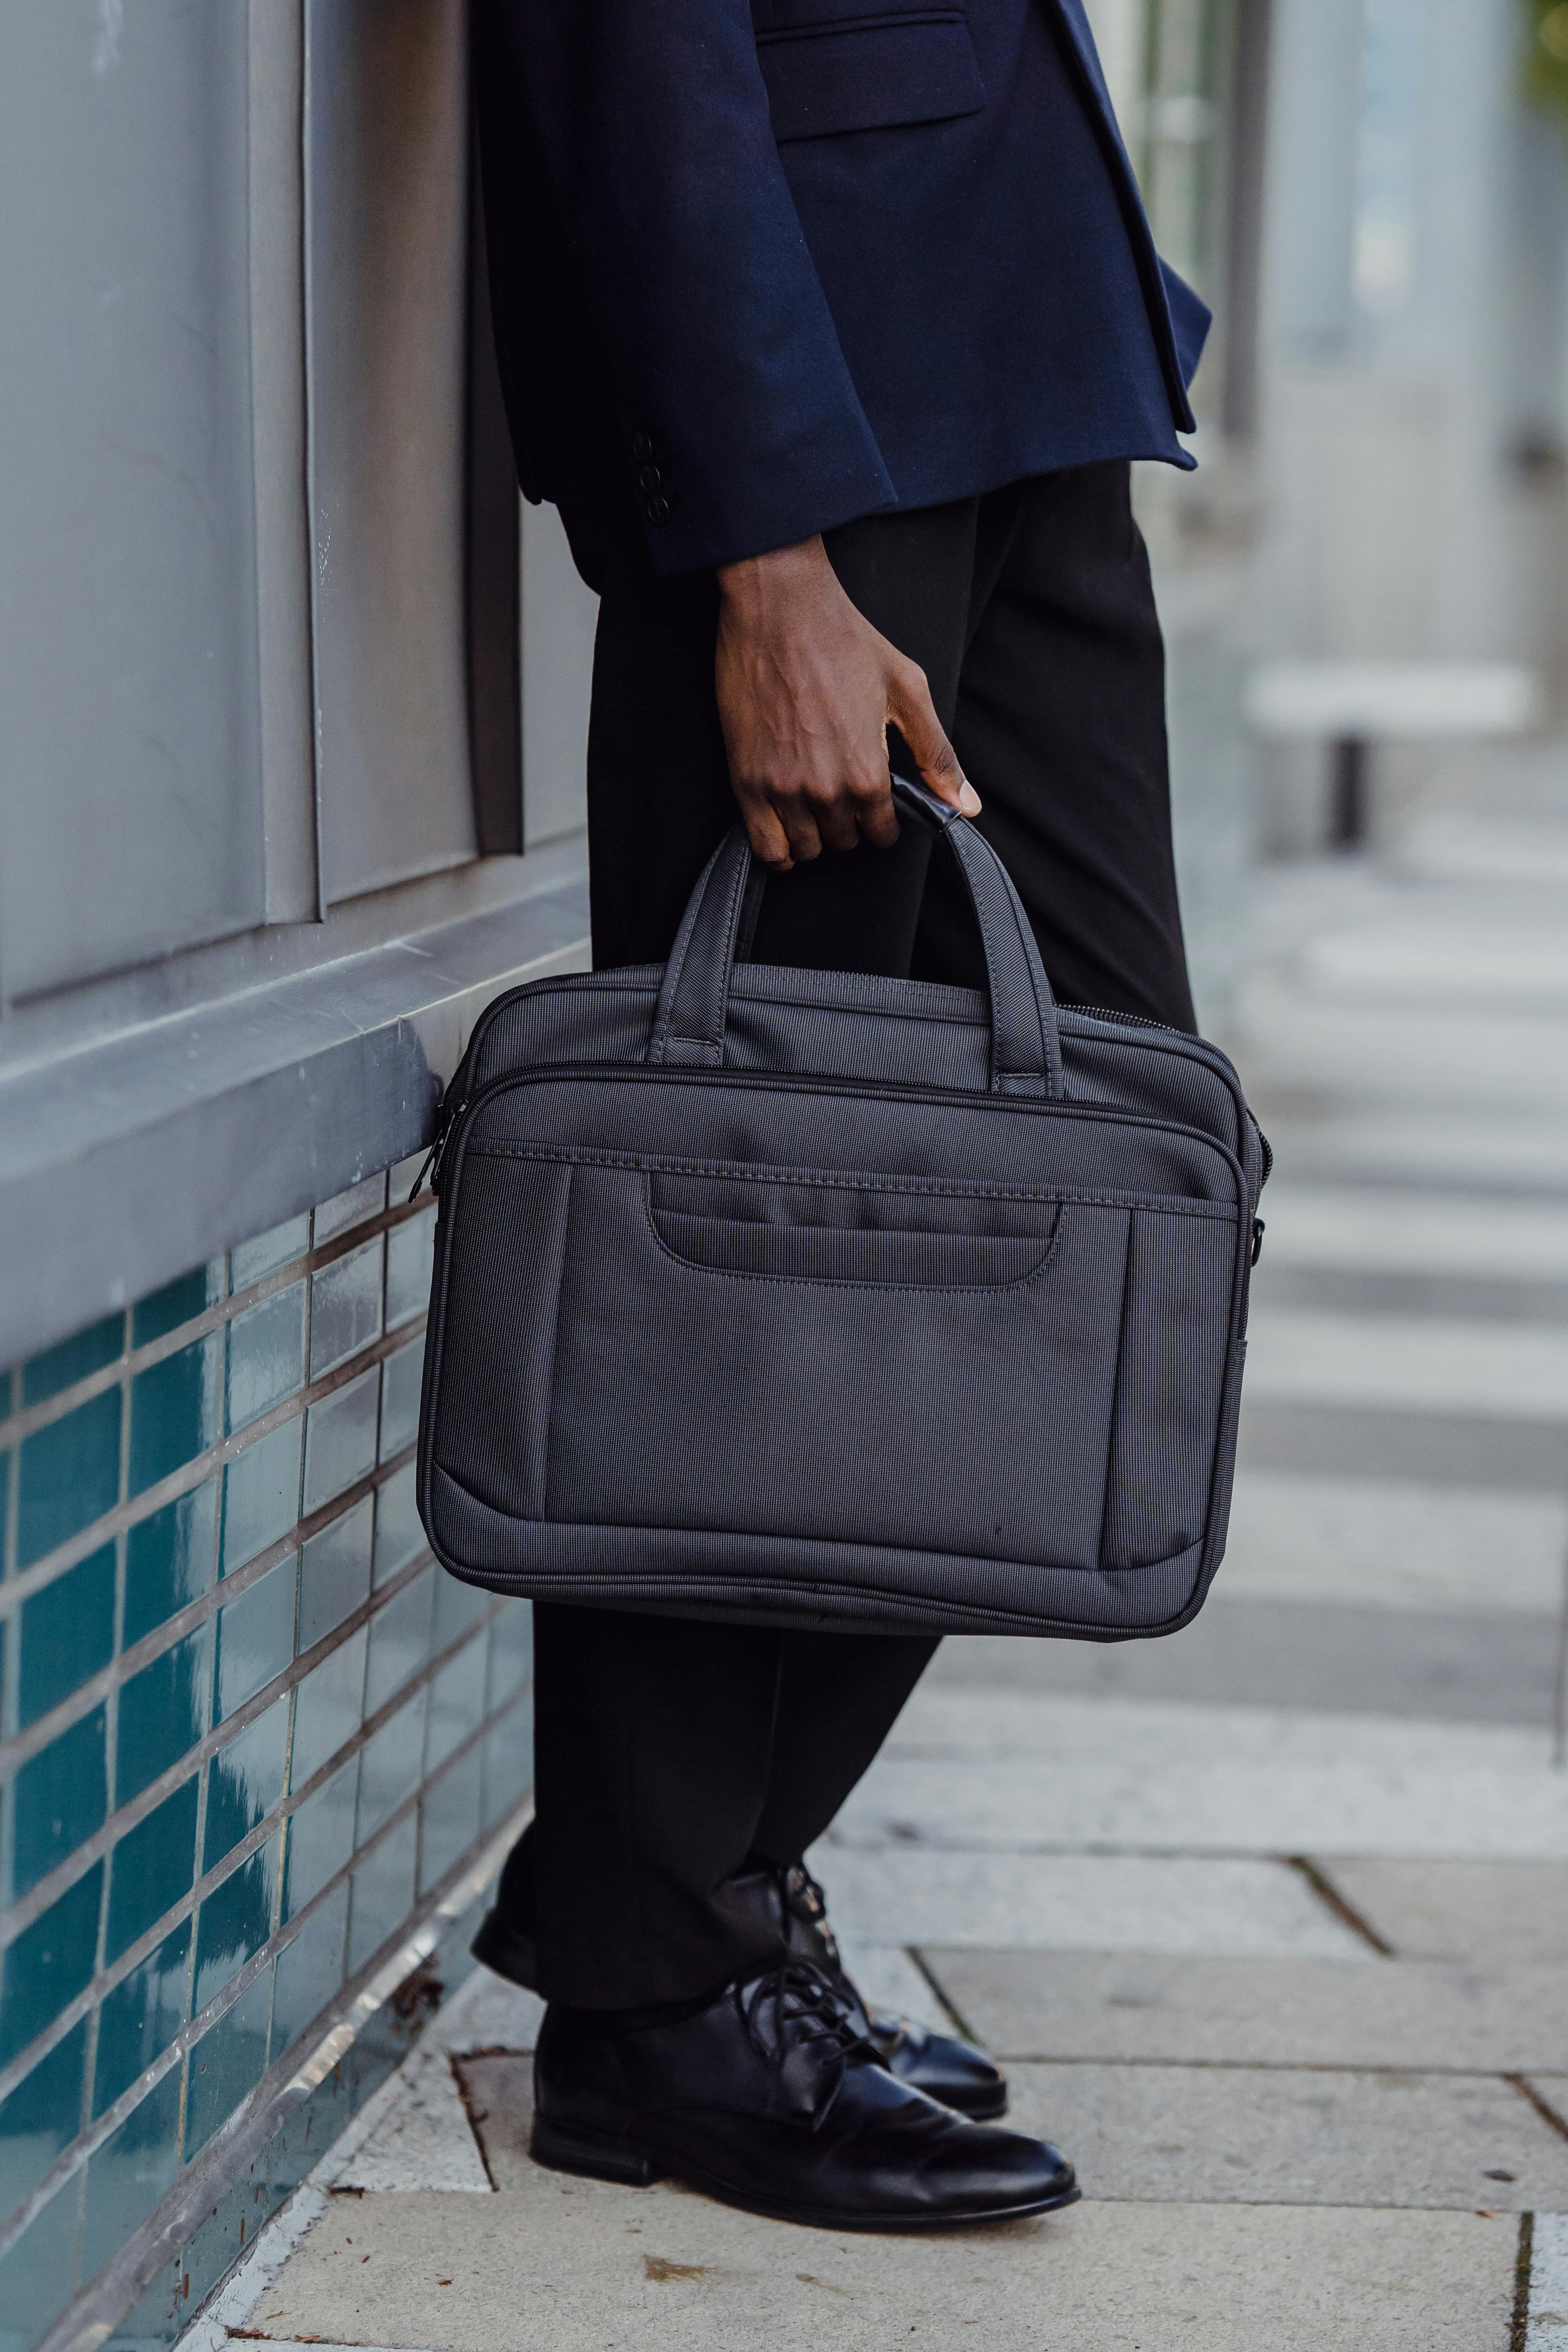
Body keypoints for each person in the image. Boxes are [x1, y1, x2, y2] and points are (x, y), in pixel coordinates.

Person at [470, 0, 1206, 2229]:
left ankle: (692, 1898)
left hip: (1026, 358)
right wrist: (765, 554)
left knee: (1095, 1170)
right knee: (759, 1235)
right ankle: (660, 1984)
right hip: (822, 420)